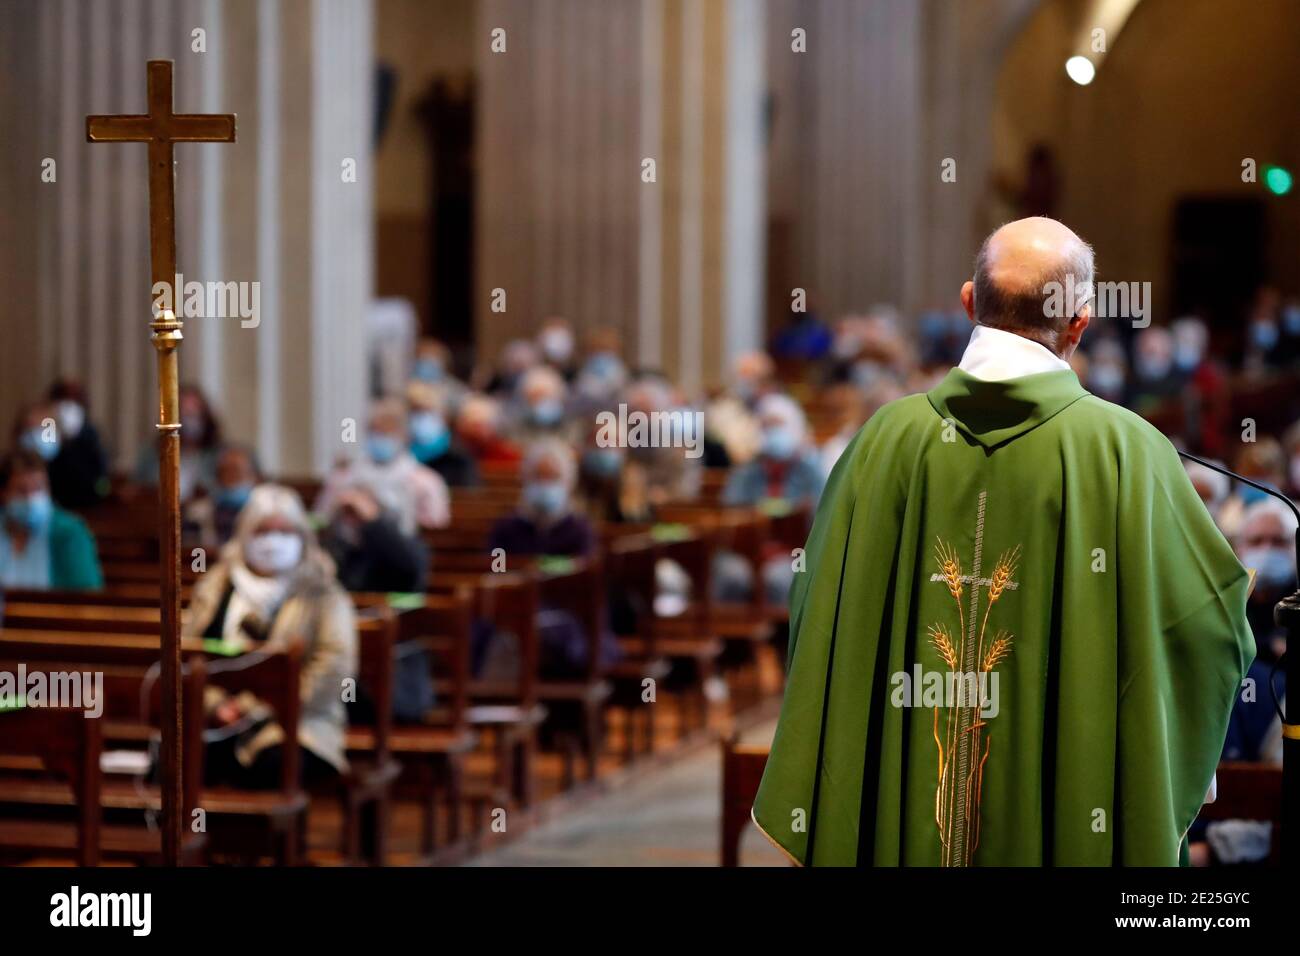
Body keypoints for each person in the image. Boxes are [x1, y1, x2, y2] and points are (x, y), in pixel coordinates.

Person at [754, 217, 1255, 866]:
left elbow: (821, 618)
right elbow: (1208, 632)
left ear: (970, 302)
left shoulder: (883, 443)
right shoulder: (1130, 454)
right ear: (1080, 322)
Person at [183, 485, 357, 788]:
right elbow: (187, 653)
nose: (273, 541)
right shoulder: (215, 586)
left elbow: (333, 667)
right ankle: (190, 834)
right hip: (215, 719)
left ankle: (271, 836)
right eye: (262, 530)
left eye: (284, 531)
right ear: (245, 534)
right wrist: (214, 706)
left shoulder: (324, 592)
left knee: (270, 765)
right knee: (177, 759)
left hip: (299, 723)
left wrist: (252, 709)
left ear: (302, 537)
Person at [314, 399, 451, 533]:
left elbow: (436, 531)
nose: (380, 437)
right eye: (376, 431)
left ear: (404, 435)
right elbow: (322, 520)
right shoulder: (343, 478)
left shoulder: (426, 482)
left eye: (387, 432)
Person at [0, 449, 102, 590]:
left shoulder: (70, 533)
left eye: (38, 488)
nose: (31, 499)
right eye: (21, 490)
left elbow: (86, 596)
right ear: (4, 493)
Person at [319, 484, 428, 593]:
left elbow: (411, 570)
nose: (351, 521)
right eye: (347, 513)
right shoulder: (340, 547)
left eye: (355, 514)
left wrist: (372, 519)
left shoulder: (399, 543)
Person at [133, 384, 222, 501]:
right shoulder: (152, 453)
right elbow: (137, 487)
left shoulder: (219, 454)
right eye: (186, 413)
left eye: (195, 413)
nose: (191, 420)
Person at [45, 380, 110, 509]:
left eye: (76, 400)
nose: (70, 405)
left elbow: (101, 477)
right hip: (54, 501)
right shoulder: (47, 427)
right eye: (65, 399)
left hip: (87, 503)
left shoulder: (91, 433)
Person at [184, 443, 261, 549]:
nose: (230, 477)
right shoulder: (197, 513)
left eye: (236, 471)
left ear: (253, 476)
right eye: (224, 471)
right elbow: (193, 554)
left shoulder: (266, 512)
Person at [407, 381, 480, 488]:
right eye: (415, 411)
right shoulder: (401, 459)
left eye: (427, 411)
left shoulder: (459, 461)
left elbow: (469, 497)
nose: (422, 418)